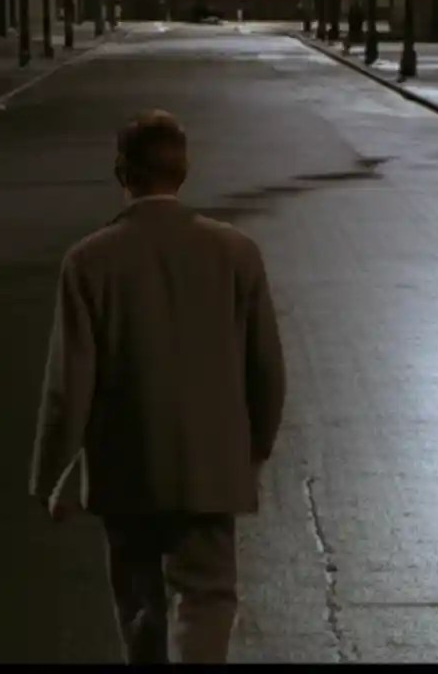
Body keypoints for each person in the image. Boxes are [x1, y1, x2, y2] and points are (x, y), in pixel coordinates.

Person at [29, 110, 287, 664]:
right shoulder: (236, 253)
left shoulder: (88, 262)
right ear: (183, 171)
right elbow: (267, 371)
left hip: (127, 469)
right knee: (206, 598)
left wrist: (49, 475)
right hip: (211, 468)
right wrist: (253, 451)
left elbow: (68, 388)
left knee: (140, 604)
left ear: (122, 171)